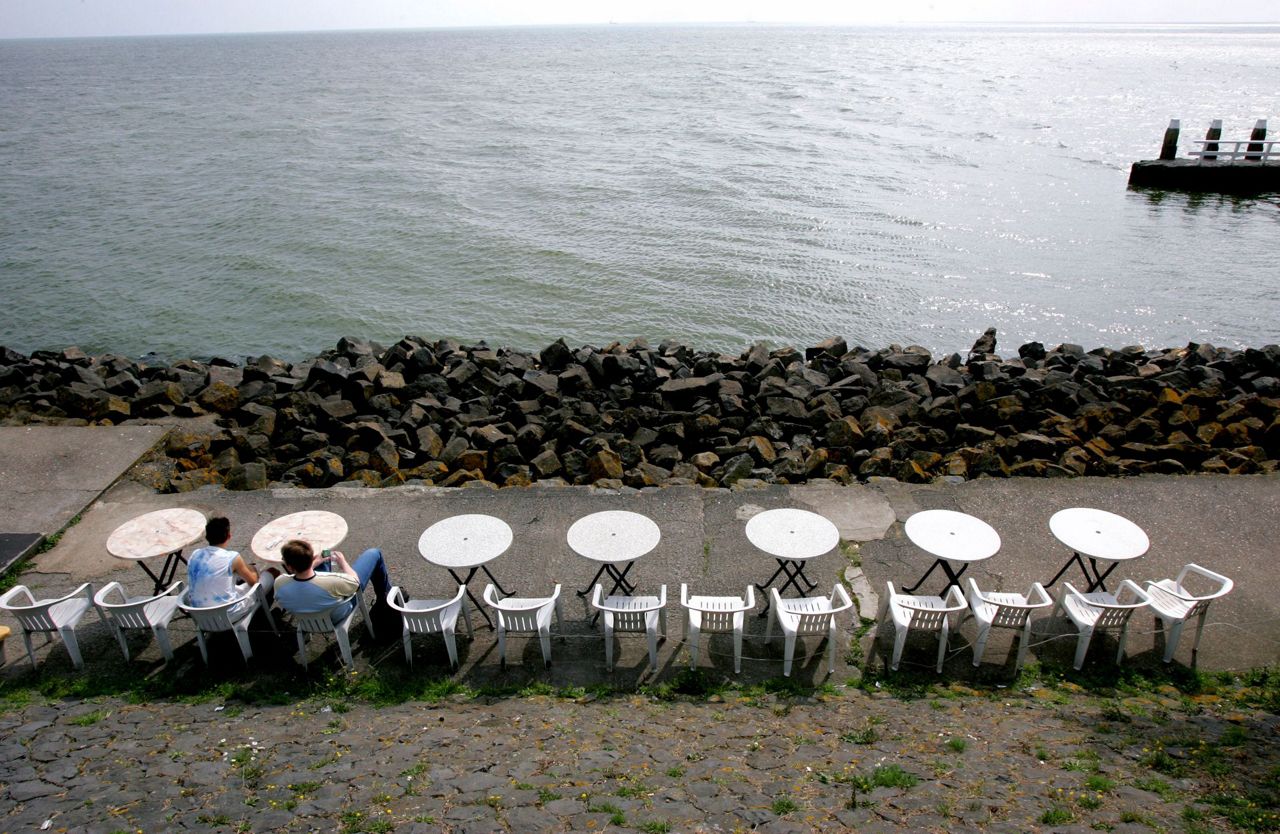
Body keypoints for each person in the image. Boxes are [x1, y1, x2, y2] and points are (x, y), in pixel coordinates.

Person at [274, 539, 392, 623]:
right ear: (310, 558)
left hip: (307, 621)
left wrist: (316, 563)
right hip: (337, 616)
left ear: (289, 567)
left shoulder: (279, 583)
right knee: (373, 553)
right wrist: (343, 562)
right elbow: (355, 583)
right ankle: (385, 598)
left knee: (324, 560)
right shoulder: (333, 581)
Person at [186, 516, 273, 618]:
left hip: (200, 615)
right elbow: (254, 582)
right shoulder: (231, 557)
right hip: (228, 614)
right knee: (271, 573)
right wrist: (253, 569)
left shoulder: (195, 554)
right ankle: (264, 617)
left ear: (207, 537)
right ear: (229, 536)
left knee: (232, 580)